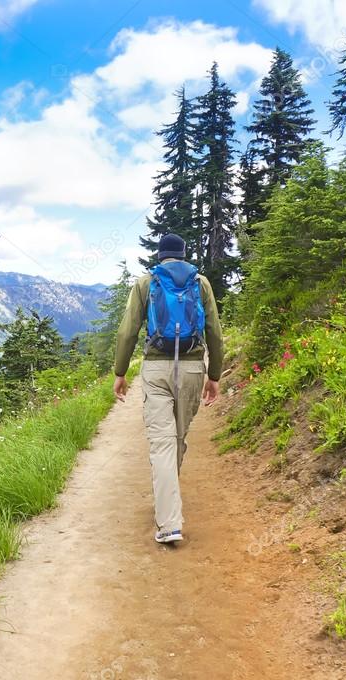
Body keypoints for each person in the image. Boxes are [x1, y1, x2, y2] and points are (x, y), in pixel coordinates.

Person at [112, 233, 224, 544]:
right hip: (190, 368)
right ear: (184, 255)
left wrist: (120, 372)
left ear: (160, 255)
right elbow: (214, 331)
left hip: (156, 369)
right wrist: (213, 375)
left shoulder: (147, 283)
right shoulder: (200, 283)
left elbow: (127, 331)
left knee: (163, 444)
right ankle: (168, 509)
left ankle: (169, 521)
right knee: (176, 439)